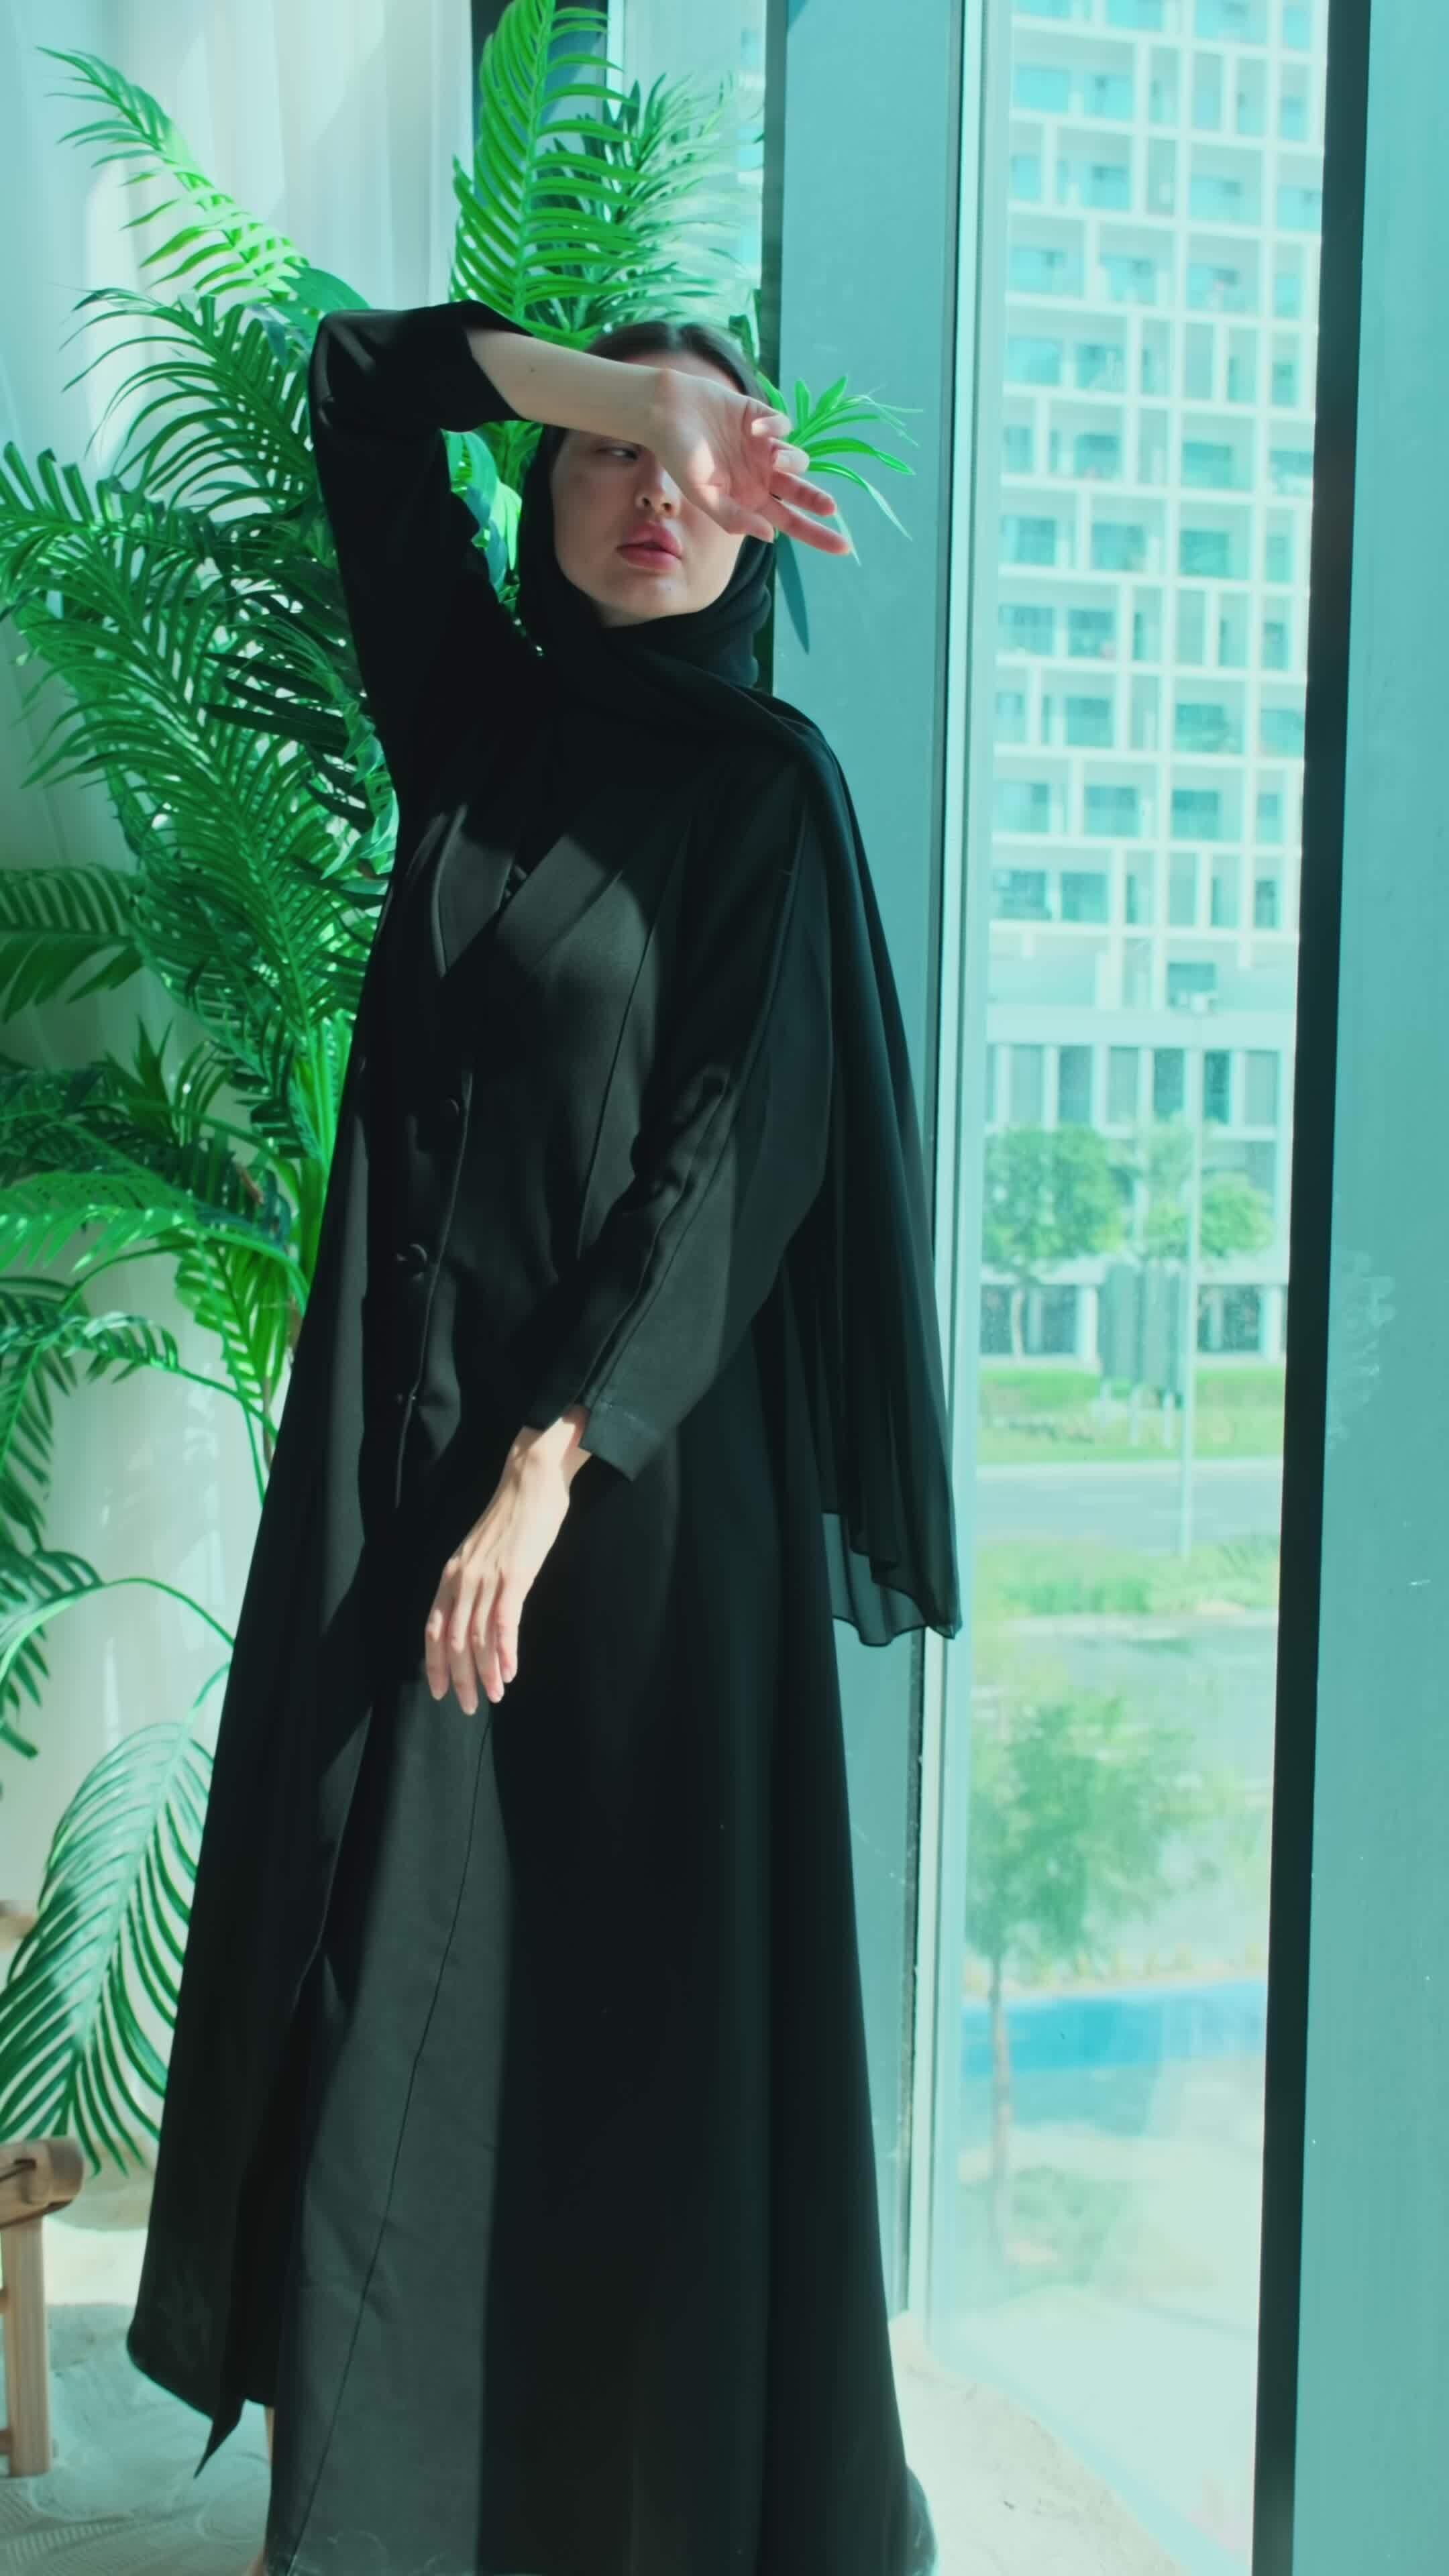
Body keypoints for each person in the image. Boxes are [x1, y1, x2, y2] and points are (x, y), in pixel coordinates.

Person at [127, 288, 960, 2576]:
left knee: (618, 2016)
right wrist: (632, 388)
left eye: (699, 474)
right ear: (561, 480)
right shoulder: (478, 722)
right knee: (401, 1969)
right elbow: (357, 386)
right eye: (612, 458)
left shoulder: (770, 803)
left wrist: (549, 1463)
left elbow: (734, 1147)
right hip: (407, 1478)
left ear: (753, 544)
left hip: (628, 1521)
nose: (655, 499)